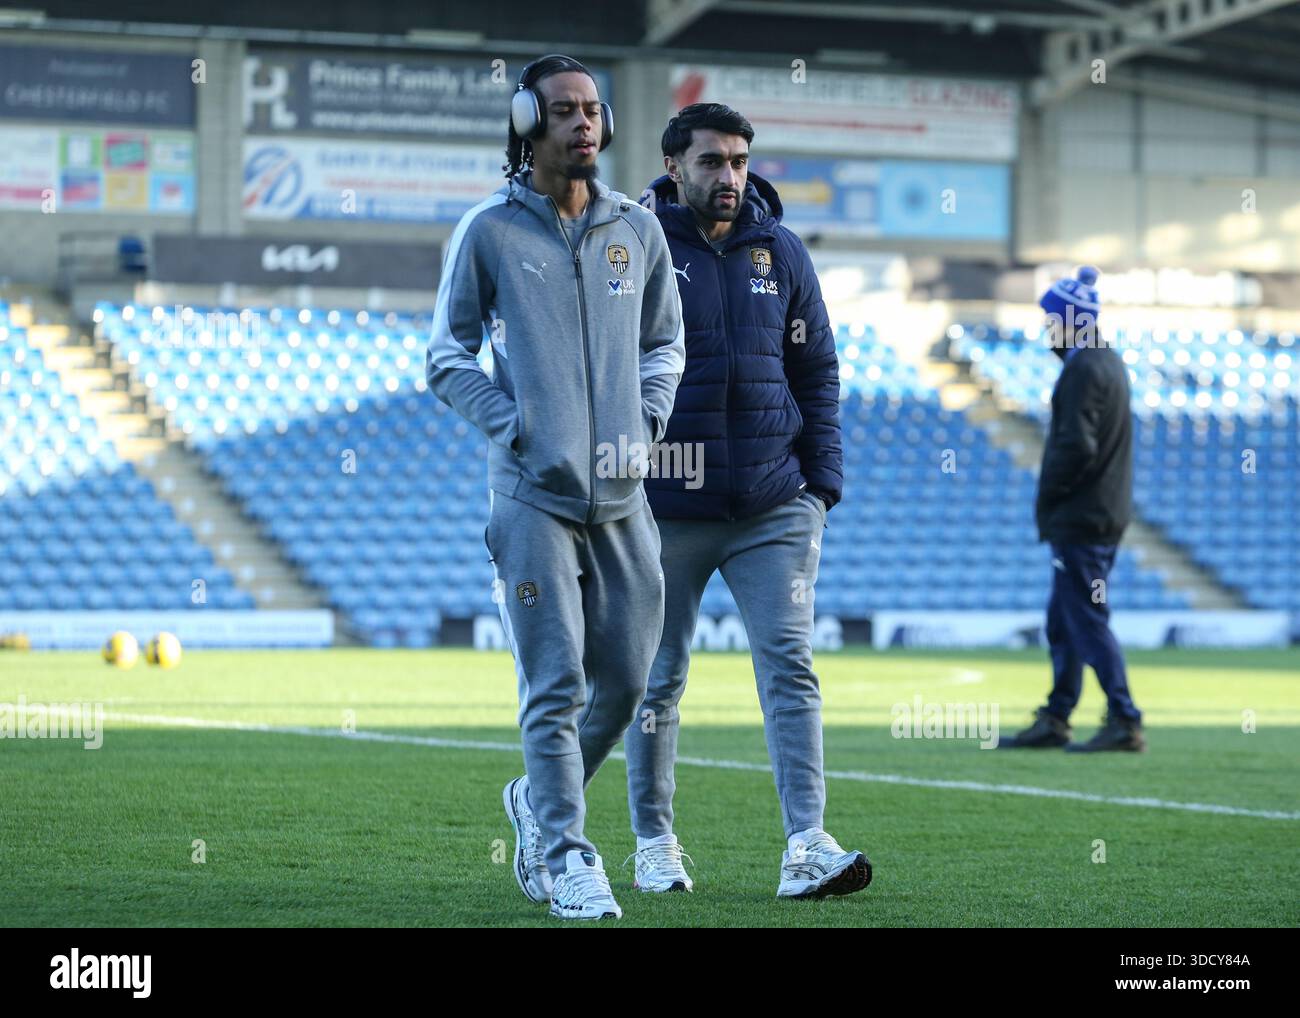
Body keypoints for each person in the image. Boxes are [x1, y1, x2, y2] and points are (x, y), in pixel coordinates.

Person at [426, 54, 685, 919]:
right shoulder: (489, 231)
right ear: (526, 118)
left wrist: (647, 423)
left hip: (624, 499)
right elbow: (447, 354)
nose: (585, 125)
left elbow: (663, 346)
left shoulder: (637, 230)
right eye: (565, 111)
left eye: (593, 110)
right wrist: (517, 426)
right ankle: (569, 855)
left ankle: (536, 803)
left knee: (630, 678)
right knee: (556, 684)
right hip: (532, 497)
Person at [623, 103, 871, 899]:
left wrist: (820, 487)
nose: (728, 176)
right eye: (711, 162)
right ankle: (654, 842)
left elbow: (818, 372)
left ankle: (807, 844)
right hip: (666, 506)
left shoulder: (782, 251)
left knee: (790, 668)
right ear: (673, 167)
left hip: (773, 506)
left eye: (738, 160)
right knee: (655, 681)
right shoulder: (632, 247)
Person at [999, 267, 1146, 753]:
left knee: (1085, 617)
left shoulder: (1084, 368)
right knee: (1064, 619)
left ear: (1071, 320)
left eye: (1051, 319)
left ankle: (1124, 718)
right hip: (1100, 512)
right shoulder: (1105, 362)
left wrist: (1049, 495)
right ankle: (1057, 715)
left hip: (1084, 517)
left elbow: (1075, 448)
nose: (1046, 329)